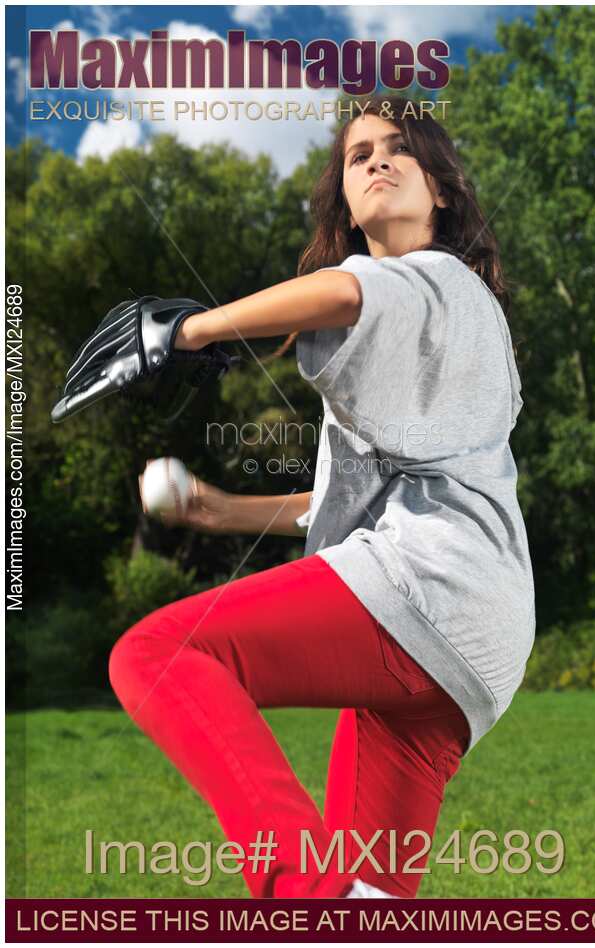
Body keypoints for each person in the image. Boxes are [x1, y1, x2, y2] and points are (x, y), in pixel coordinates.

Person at [108, 96, 536, 900]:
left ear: (440, 189)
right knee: (369, 909)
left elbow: (348, 294)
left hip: (429, 590)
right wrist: (219, 510)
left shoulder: (436, 278)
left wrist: (189, 331)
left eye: (400, 148)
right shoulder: (427, 345)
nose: (377, 160)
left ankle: (301, 886)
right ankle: (333, 902)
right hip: (476, 651)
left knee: (158, 654)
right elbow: (348, 494)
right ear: (344, 195)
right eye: (358, 153)